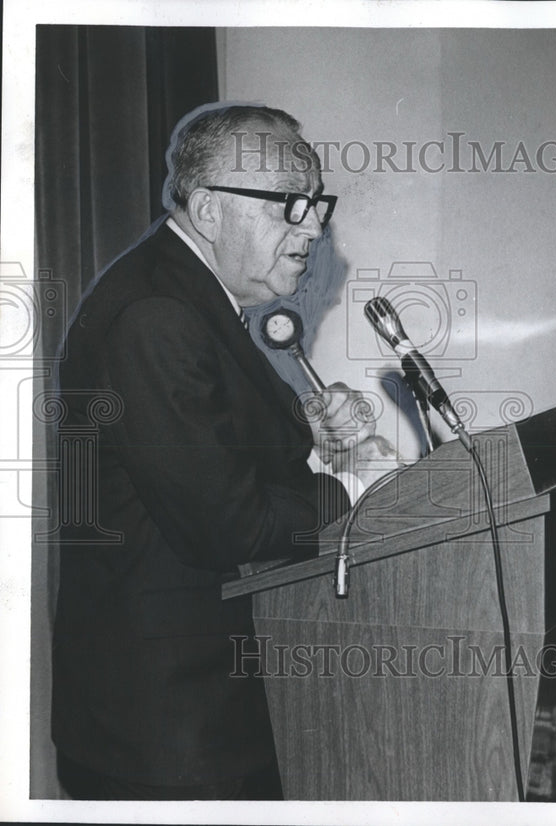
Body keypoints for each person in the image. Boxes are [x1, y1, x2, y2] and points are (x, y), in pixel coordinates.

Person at [51, 103, 392, 801]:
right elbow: (226, 524)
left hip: (191, 715)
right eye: (288, 205)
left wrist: (310, 438)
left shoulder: (180, 294)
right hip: (172, 735)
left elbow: (196, 458)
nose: (314, 228)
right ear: (207, 209)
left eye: (317, 203)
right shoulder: (158, 315)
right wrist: (353, 497)